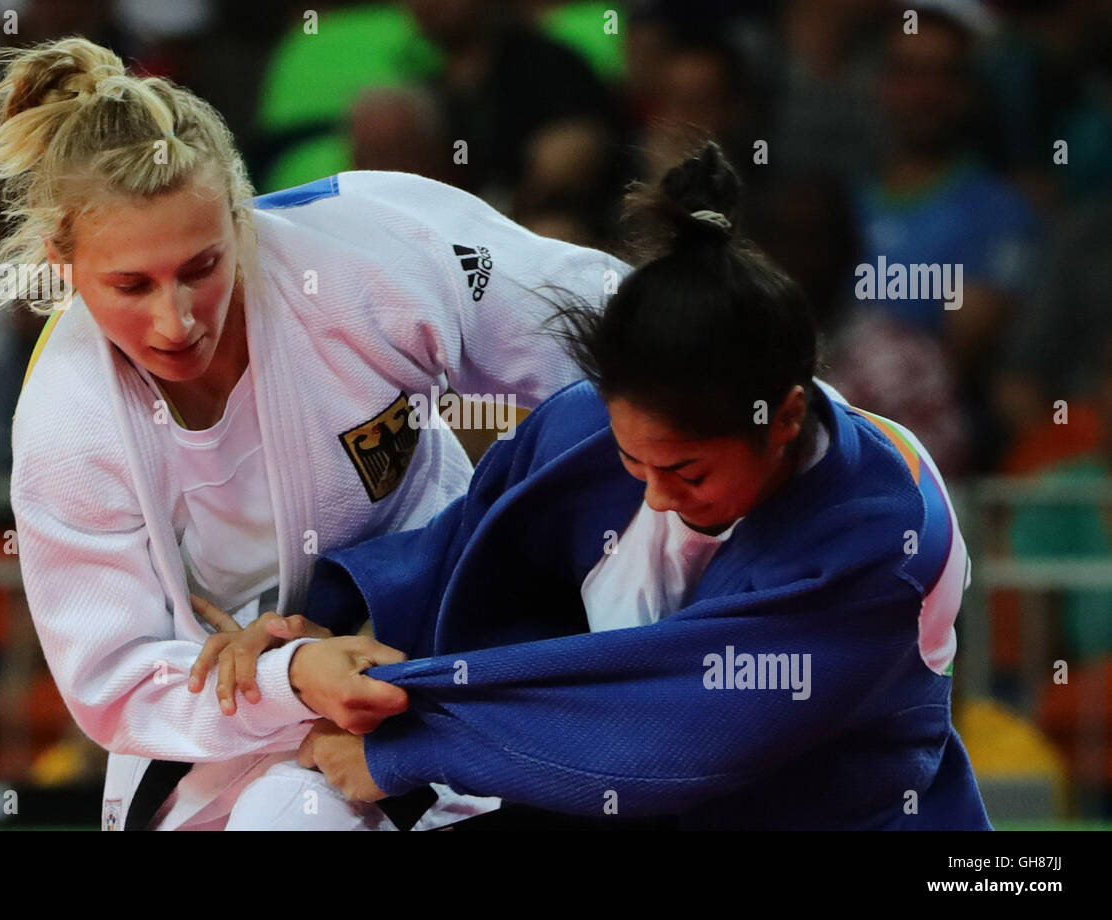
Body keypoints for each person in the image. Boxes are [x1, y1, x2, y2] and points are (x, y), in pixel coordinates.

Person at [0, 37, 627, 830]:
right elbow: (114, 678)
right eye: (130, 285)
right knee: (288, 816)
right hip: (222, 719)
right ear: (62, 263)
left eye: (201, 267)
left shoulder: (364, 255)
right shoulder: (68, 422)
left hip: (438, 631)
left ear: (239, 212)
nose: (176, 319)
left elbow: (624, 338)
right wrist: (292, 677)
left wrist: (798, 409)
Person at [280, 142, 991, 829]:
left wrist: (406, 748)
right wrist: (326, 640)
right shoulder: (585, 426)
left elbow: (686, 725)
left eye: (688, 472)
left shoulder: (883, 533)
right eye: (634, 463)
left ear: (785, 418)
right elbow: (459, 557)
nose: (655, 496)